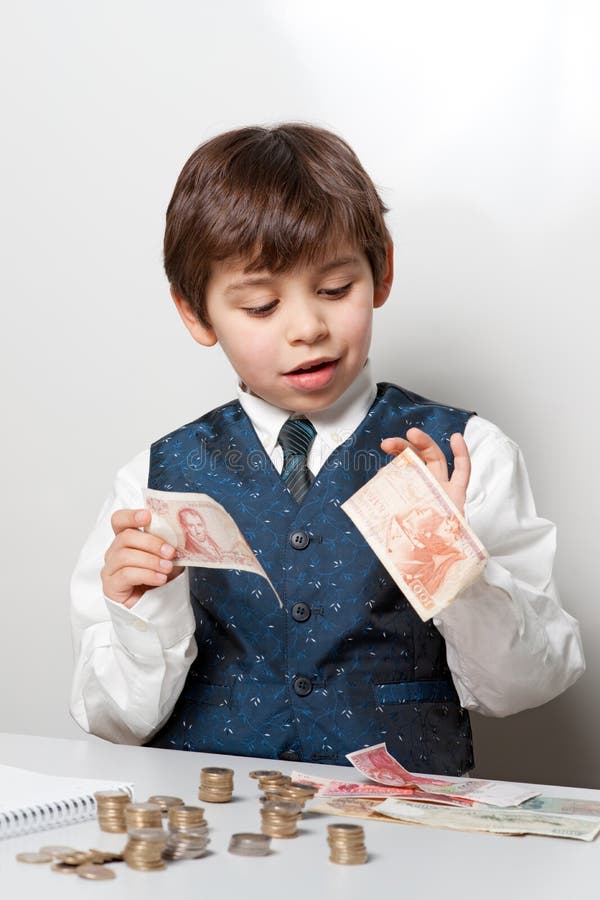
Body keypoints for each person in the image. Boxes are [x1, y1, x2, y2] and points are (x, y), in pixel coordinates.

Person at [70, 123, 584, 773]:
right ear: (197, 315)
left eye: (336, 291)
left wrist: (450, 564)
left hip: (411, 843)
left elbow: (527, 686)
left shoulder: (464, 454)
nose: (307, 328)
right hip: (216, 837)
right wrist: (142, 612)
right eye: (260, 306)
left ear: (381, 273)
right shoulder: (154, 480)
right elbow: (113, 719)